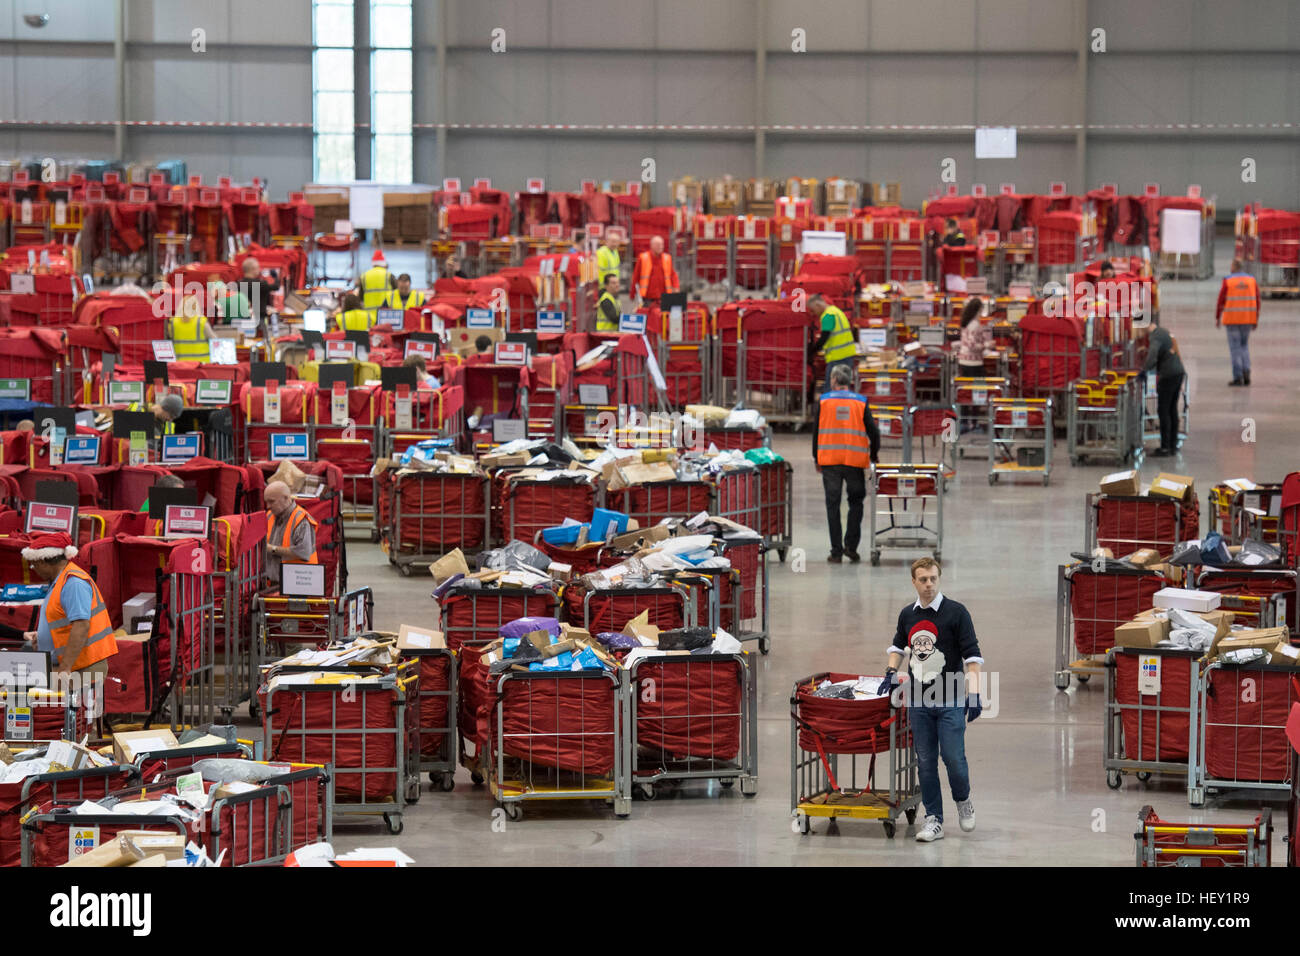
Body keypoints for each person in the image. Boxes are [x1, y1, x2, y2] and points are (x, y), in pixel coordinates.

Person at [878, 557, 983, 842]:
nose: (928, 584)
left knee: (953, 758)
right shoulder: (907, 615)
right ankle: (933, 818)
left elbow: (971, 657)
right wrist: (890, 671)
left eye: (933, 579)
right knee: (925, 761)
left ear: (939, 579)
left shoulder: (957, 613)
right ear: (914, 581)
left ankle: (963, 800)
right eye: (923, 579)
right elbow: (898, 646)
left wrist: (973, 694)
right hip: (919, 701)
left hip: (950, 698)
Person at [21, 532, 117, 683]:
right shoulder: (59, 581)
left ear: (45, 560)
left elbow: (81, 626)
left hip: (80, 669)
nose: (34, 569)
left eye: (35, 565)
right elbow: (62, 620)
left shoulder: (73, 583)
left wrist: (64, 668)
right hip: (71, 667)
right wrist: (43, 636)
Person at [813, 363, 880, 564]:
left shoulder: (824, 401)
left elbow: (816, 432)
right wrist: (874, 454)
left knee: (832, 505)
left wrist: (816, 457)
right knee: (856, 502)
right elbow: (873, 432)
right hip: (854, 461)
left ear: (833, 380)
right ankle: (851, 546)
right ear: (850, 380)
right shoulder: (860, 401)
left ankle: (836, 552)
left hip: (829, 461)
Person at [1142, 313, 1185, 457]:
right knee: (1172, 409)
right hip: (1178, 373)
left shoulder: (1155, 336)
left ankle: (1165, 447)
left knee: (1163, 410)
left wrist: (1145, 370)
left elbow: (1152, 355)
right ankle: (1173, 444)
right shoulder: (1163, 331)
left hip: (1168, 375)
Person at [264, 480, 318, 589]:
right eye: (266, 501)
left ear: (286, 498)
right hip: (273, 585)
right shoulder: (269, 516)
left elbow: (303, 552)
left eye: (271, 501)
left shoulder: (301, 520)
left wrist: (272, 549)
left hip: (299, 585)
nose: (268, 506)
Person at [1216, 258, 1260, 387]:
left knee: (1235, 348)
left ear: (1235, 267)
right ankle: (1246, 372)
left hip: (1232, 320)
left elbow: (1221, 300)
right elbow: (1257, 299)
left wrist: (1217, 317)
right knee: (1244, 346)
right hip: (1247, 318)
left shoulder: (1228, 280)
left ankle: (1238, 377)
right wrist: (1256, 318)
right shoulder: (1251, 280)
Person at [807, 294, 857, 390]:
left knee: (831, 389)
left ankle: (830, 405)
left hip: (838, 358)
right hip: (847, 354)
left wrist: (812, 351)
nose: (814, 313)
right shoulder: (836, 311)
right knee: (843, 388)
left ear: (818, 305)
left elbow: (824, 337)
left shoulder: (827, 316)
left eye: (813, 310)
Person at [632, 235, 679, 307]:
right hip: (648, 297)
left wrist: (676, 287)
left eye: (662, 244)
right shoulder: (643, 257)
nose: (660, 246)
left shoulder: (667, 258)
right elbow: (636, 276)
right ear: (652, 246)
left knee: (664, 317)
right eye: (658, 244)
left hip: (665, 296)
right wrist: (632, 293)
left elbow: (673, 275)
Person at [166, 295, 212, 361]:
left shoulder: (173, 323)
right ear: (195, 306)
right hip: (201, 364)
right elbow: (214, 340)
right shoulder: (201, 322)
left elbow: (169, 339)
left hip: (180, 365)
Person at [956, 297, 991, 377]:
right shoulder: (975, 325)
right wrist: (987, 345)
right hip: (973, 363)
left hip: (964, 361)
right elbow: (972, 345)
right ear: (979, 309)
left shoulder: (967, 322)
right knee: (978, 388)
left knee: (966, 388)